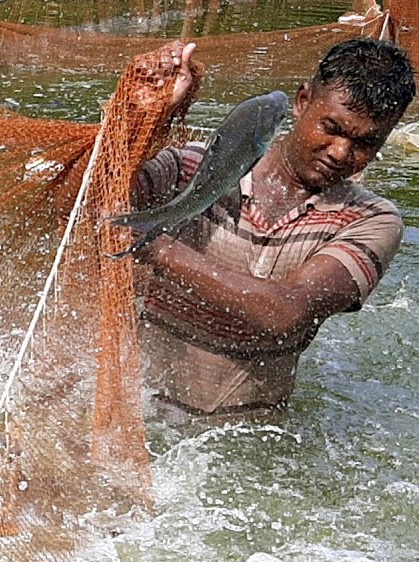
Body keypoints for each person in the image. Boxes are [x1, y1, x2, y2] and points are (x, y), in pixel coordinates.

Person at [131, 37, 414, 416]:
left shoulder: (370, 219)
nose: (340, 152)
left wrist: (157, 248)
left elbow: (285, 313)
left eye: (365, 142)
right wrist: (146, 118)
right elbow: (83, 202)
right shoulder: (194, 168)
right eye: (331, 127)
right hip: (137, 412)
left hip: (243, 435)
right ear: (302, 101)